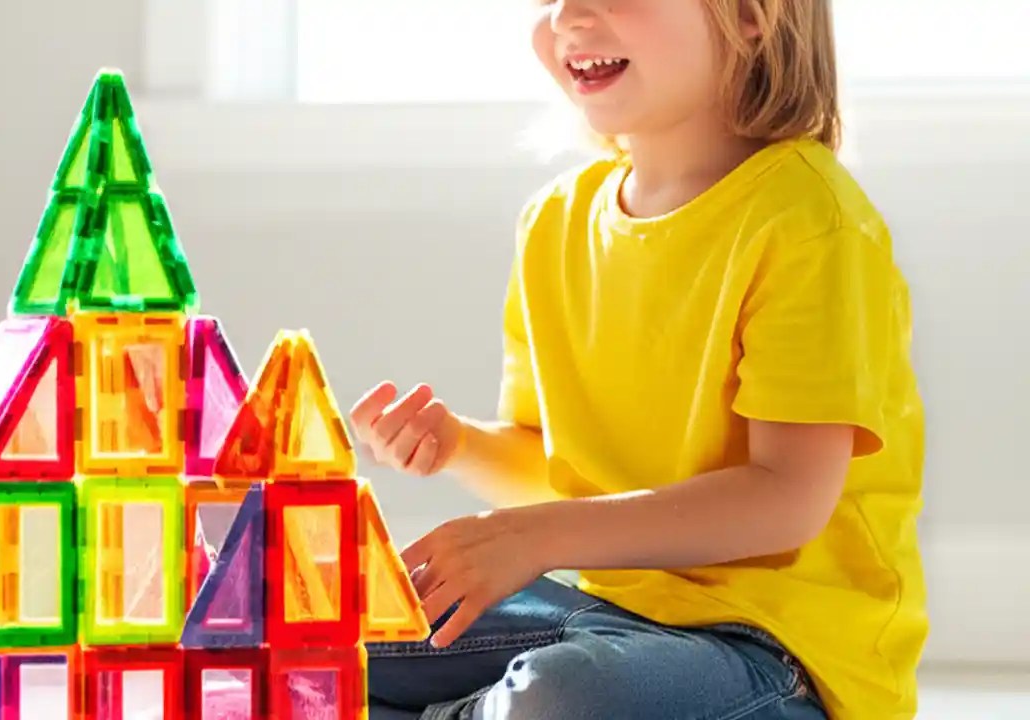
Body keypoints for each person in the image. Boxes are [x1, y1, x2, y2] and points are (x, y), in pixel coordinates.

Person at [347, 1, 927, 719]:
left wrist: (536, 538)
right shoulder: (554, 222)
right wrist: (459, 444)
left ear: (751, 13)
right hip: (605, 617)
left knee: (565, 696)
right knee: (328, 626)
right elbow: (559, 473)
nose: (569, 16)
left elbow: (787, 499)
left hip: (774, 654)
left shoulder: (809, 224)